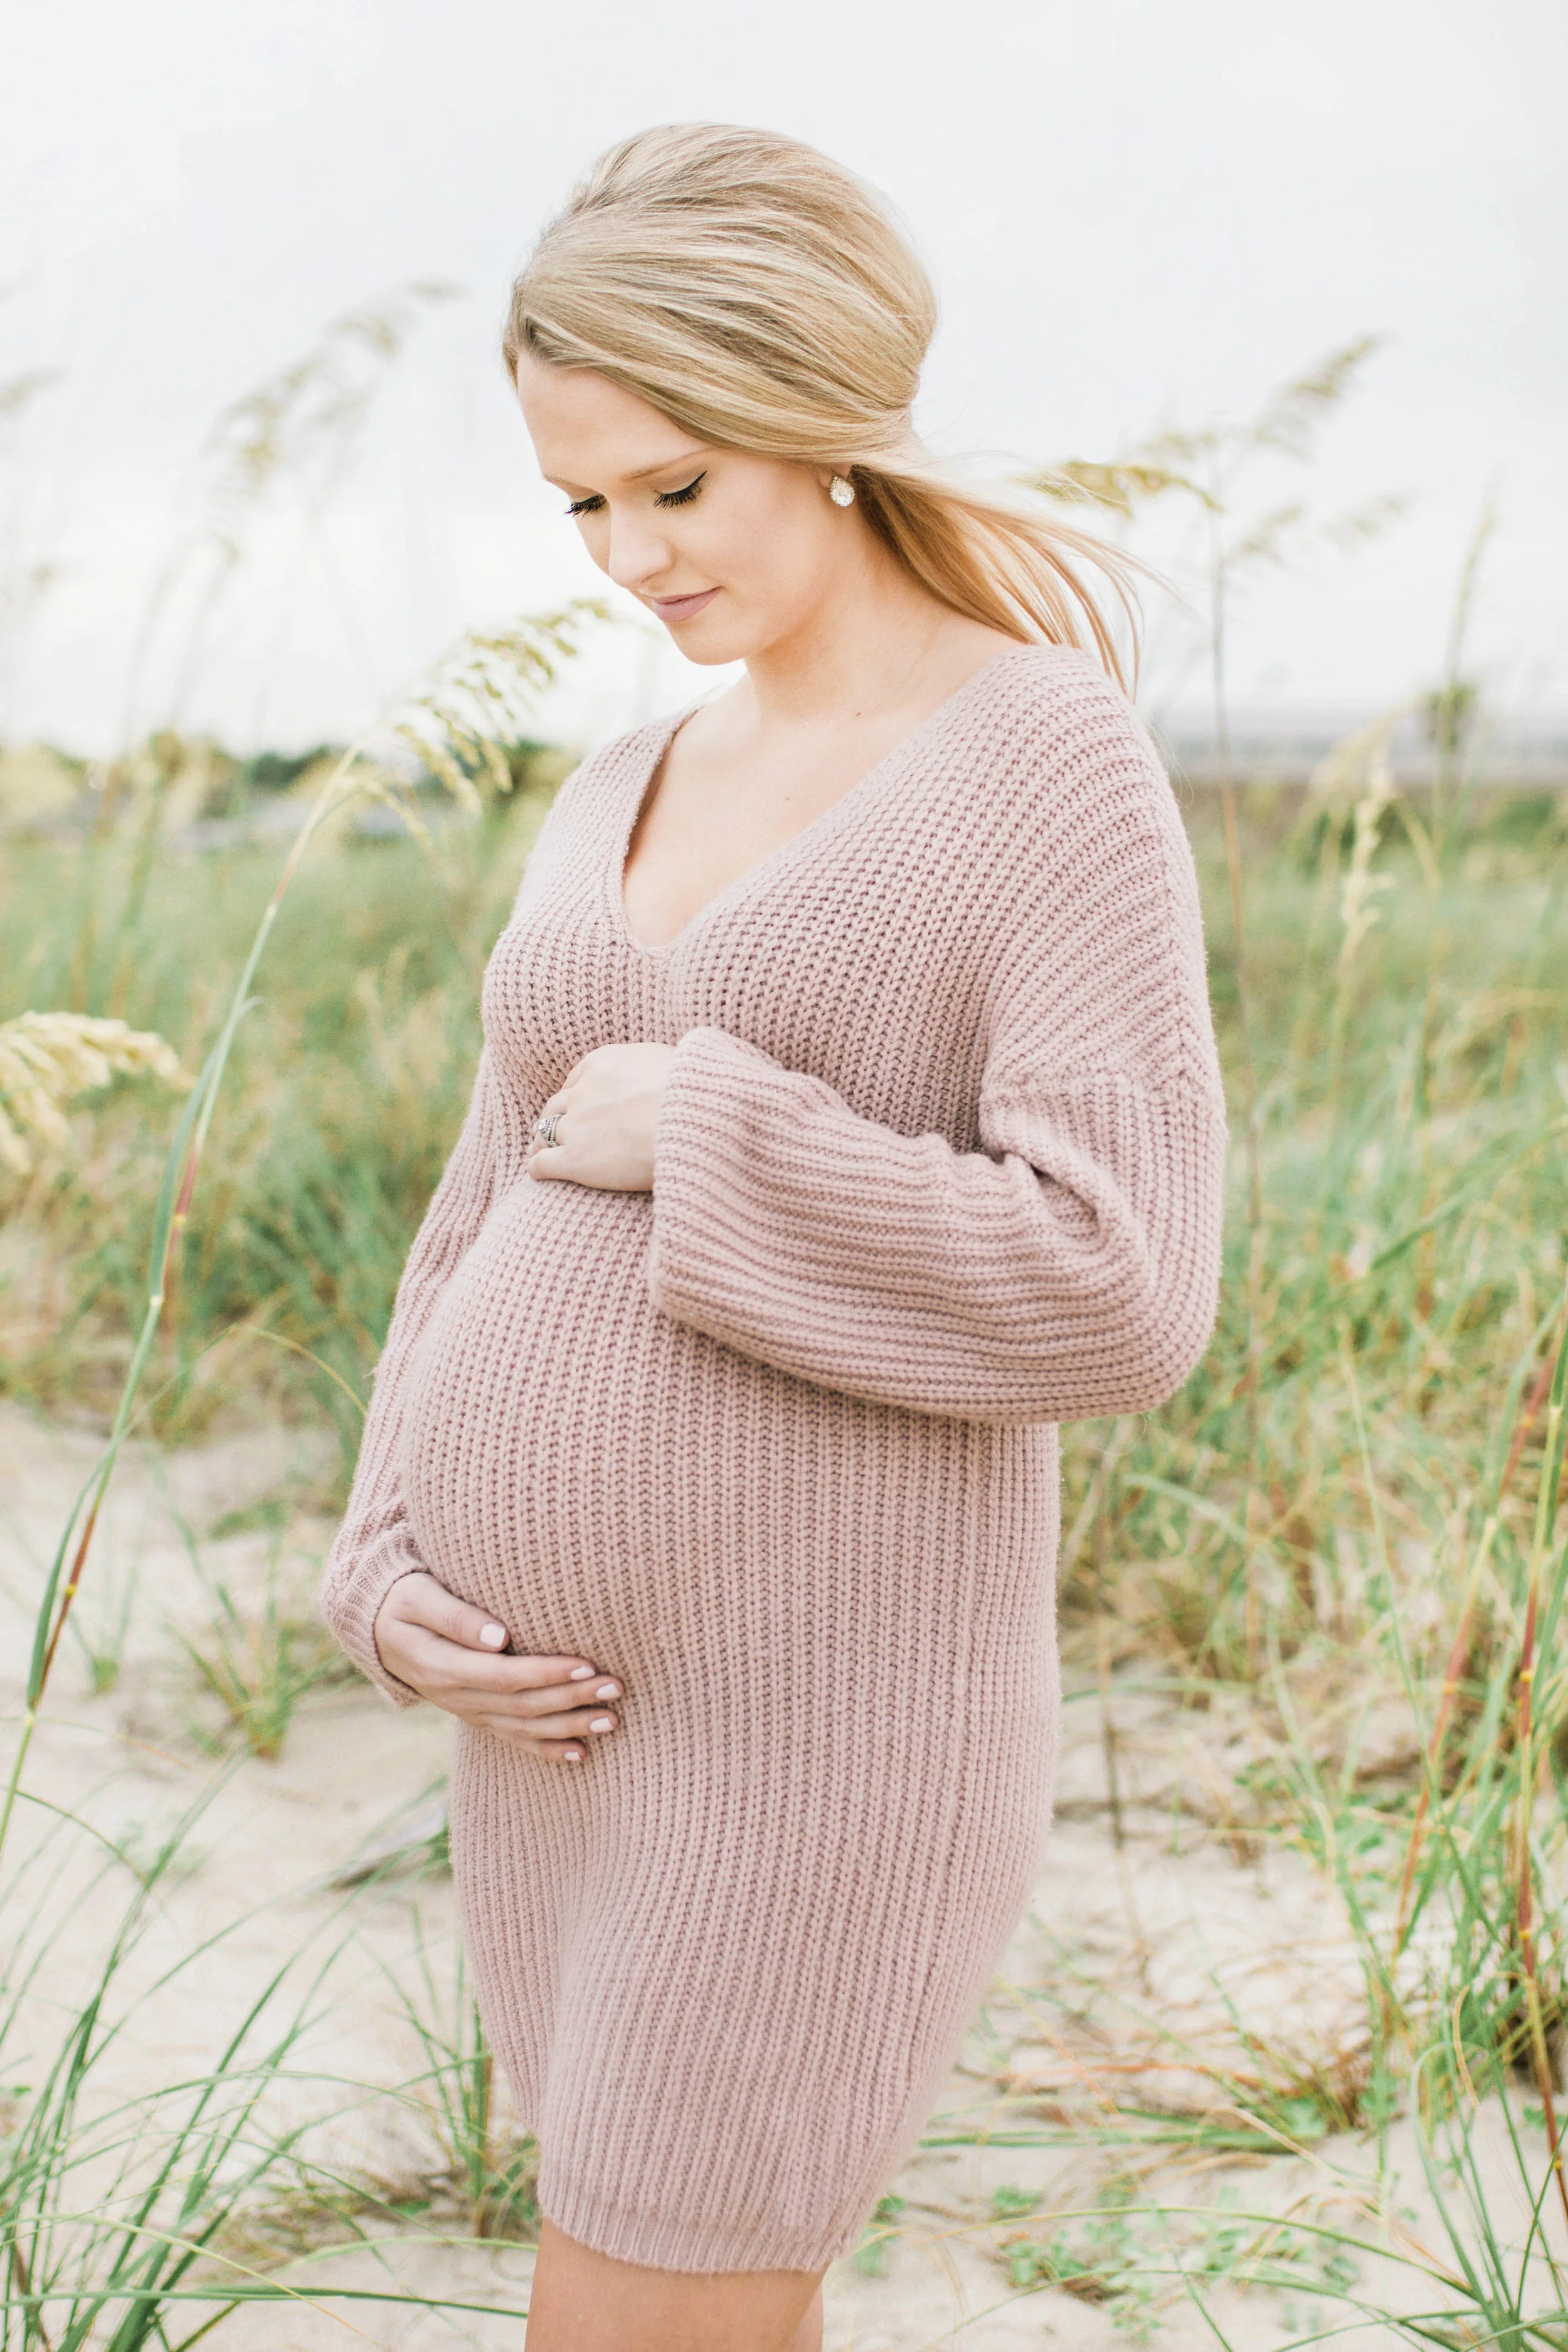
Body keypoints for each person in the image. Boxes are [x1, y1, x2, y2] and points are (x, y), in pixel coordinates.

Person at [320, 122, 1227, 2352]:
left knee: (635, 2308)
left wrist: (718, 1134)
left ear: (821, 429)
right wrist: (381, 1562)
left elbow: (1125, 1282)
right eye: (581, 504)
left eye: (675, 484)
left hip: (820, 1727)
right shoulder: (612, 782)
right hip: (557, 1737)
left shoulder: (1041, 758)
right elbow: (471, 1219)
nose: (625, 554)